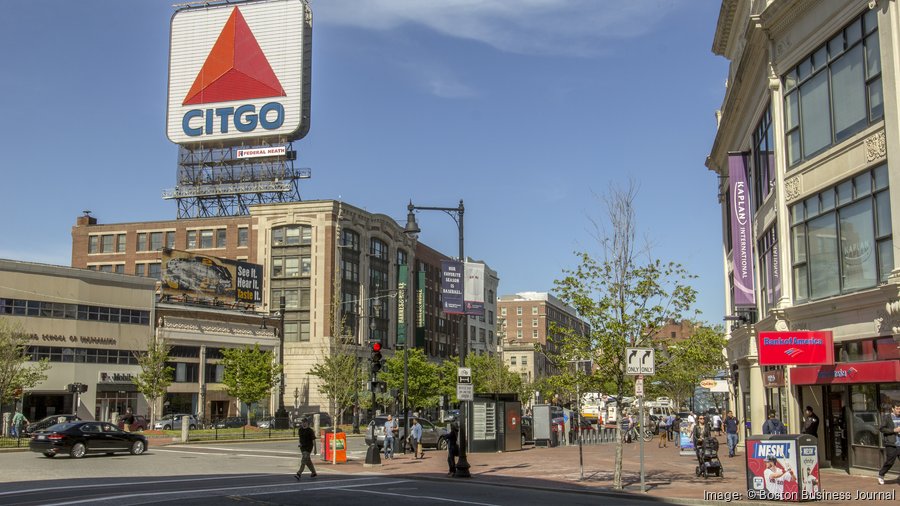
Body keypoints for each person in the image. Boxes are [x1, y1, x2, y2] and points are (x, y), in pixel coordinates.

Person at [876, 401, 900, 485]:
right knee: (890, 462)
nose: (899, 410)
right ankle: (881, 474)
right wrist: (893, 430)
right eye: (897, 408)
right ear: (893, 409)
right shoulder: (887, 417)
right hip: (892, 444)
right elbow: (882, 429)